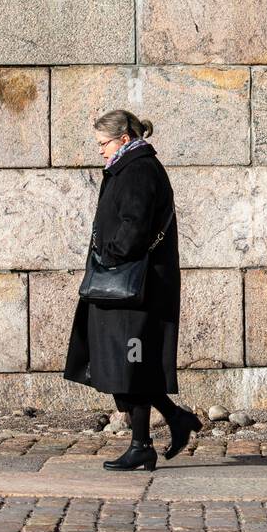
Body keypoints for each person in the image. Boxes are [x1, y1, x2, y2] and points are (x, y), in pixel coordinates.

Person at [64, 110, 202, 471]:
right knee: (120, 364)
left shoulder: (139, 170)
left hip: (137, 289)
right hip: (123, 286)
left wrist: (110, 254)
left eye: (103, 143)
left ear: (124, 138)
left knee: (131, 364)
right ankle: (172, 421)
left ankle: (143, 443)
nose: (100, 151)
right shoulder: (126, 167)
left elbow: (135, 225)